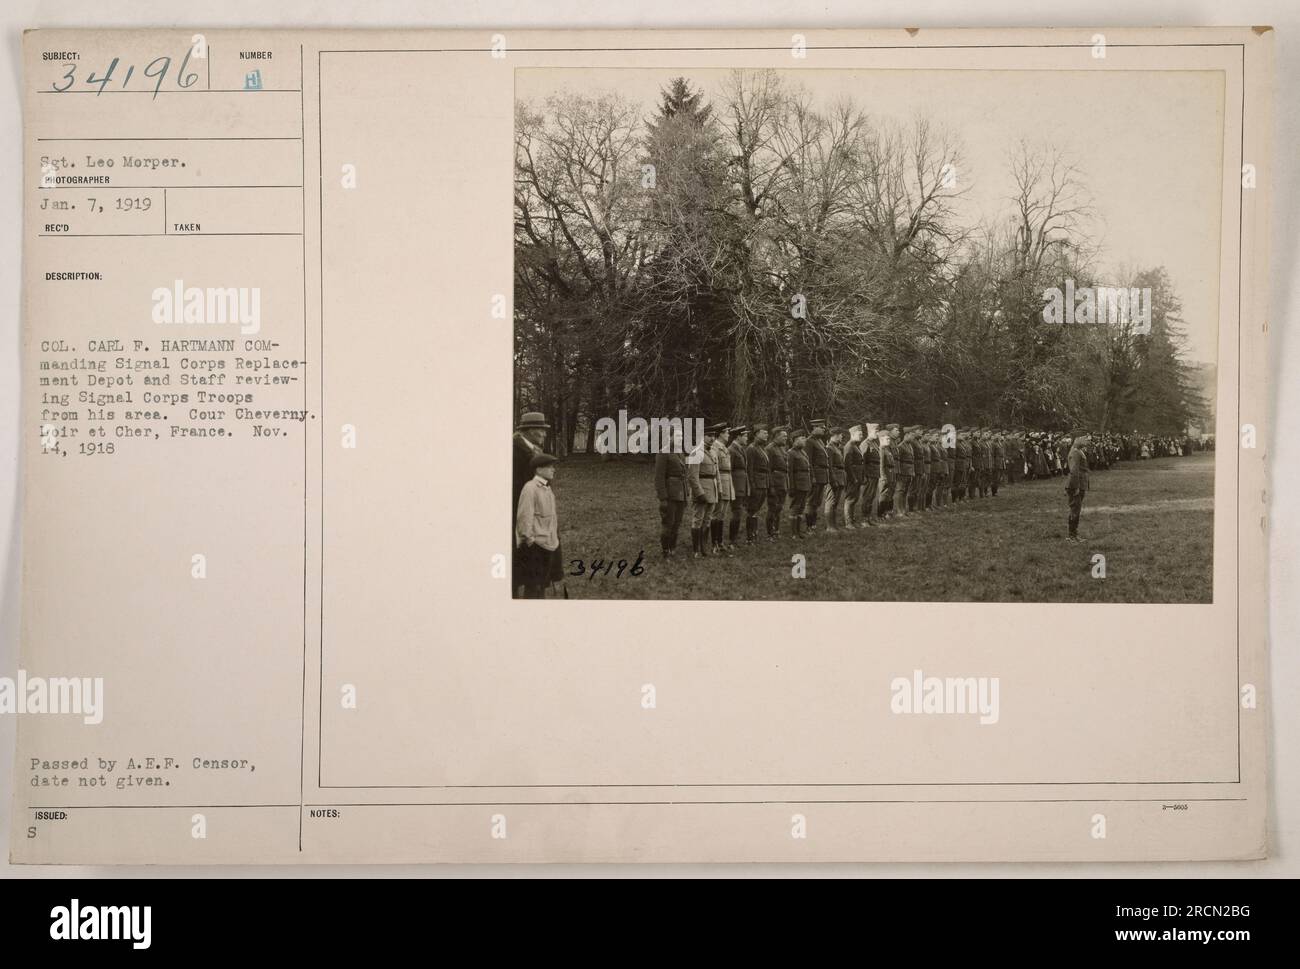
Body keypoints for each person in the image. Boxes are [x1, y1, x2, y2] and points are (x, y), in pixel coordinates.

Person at [512, 411, 549, 593]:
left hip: (537, 515)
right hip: (523, 517)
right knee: (524, 567)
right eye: (539, 430)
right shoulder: (515, 452)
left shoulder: (534, 450)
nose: (544, 434)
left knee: (534, 571)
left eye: (544, 430)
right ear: (526, 431)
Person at [515, 452, 562, 598]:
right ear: (539, 470)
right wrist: (529, 540)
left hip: (548, 545)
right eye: (549, 467)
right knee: (533, 586)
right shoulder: (530, 488)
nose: (553, 470)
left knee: (542, 585)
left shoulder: (547, 489)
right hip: (535, 547)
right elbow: (524, 517)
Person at [653, 424, 688, 560]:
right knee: (668, 523)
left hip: (680, 493)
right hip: (670, 494)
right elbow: (659, 477)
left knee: (677, 523)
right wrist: (663, 498)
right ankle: (665, 551)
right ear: (670, 437)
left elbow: (683, 474)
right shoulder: (663, 453)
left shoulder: (679, 453)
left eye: (681, 436)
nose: (681, 438)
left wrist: (686, 494)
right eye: (678, 436)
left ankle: (672, 548)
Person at [687, 423, 721, 558]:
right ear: (702, 437)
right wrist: (699, 493)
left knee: (707, 519)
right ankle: (696, 550)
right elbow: (692, 476)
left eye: (713, 436)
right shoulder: (696, 452)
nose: (712, 439)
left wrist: (719, 488)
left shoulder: (713, 452)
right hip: (701, 490)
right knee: (698, 519)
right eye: (709, 436)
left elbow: (716, 472)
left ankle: (703, 547)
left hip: (712, 489)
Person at [746, 424, 771, 544]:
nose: (767, 434)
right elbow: (749, 469)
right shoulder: (751, 449)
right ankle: (750, 537)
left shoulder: (762, 448)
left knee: (756, 510)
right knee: (752, 510)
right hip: (756, 483)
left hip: (763, 483)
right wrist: (752, 486)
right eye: (764, 432)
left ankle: (754, 535)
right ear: (756, 434)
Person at [712, 425, 734, 556]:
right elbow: (715, 467)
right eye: (726, 433)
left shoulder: (724, 447)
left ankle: (719, 542)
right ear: (720, 434)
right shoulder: (715, 446)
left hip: (727, 480)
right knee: (717, 513)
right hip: (720, 480)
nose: (728, 435)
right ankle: (714, 542)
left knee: (722, 514)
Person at [1066, 429, 1091, 542]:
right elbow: (1074, 471)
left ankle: (1073, 534)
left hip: (1080, 484)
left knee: (1076, 509)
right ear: (1077, 439)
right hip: (1076, 485)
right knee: (1075, 510)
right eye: (1085, 438)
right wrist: (1075, 487)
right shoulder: (1075, 452)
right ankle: (1072, 536)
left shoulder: (1079, 451)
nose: (1087, 440)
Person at [765, 426, 790, 540]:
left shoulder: (782, 448)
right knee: (773, 507)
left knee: (779, 507)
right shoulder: (770, 449)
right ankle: (770, 533)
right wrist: (771, 486)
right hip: (774, 482)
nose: (786, 438)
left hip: (783, 481)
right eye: (783, 436)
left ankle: (776, 530)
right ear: (776, 436)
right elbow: (768, 469)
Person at [728, 425, 750, 550]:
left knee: (738, 513)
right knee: (736, 513)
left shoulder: (740, 449)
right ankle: (732, 541)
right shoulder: (732, 450)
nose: (747, 438)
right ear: (738, 437)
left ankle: (734, 539)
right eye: (745, 436)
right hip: (735, 486)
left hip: (741, 486)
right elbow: (729, 470)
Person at [787, 428, 812, 539]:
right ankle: (793, 533)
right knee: (795, 507)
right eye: (802, 438)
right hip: (797, 484)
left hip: (805, 483)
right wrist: (791, 486)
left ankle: (799, 531)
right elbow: (789, 471)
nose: (805, 440)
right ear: (795, 440)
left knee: (801, 507)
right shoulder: (791, 453)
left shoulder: (803, 452)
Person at [806, 423, 830, 532]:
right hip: (815, 475)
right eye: (821, 428)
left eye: (824, 428)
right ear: (814, 428)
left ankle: (813, 524)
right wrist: (812, 477)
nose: (824, 430)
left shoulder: (819, 441)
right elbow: (809, 461)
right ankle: (809, 525)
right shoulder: (809, 441)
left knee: (817, 501)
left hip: (822, 475)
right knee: (811, 501)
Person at [824, 427, 846, 533]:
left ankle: (834, 525)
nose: (842, 437)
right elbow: (829, 466)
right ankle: (829, 526)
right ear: (835, 435)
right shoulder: (829, 448)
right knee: (831, 501)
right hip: (834, 478)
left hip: (840, 477)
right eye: (841, 435)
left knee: (835, 502)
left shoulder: (836, 447)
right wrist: (833, 480)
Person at [843, 425, 865, 528]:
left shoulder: (855, 445)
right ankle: (848, 522)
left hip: (857, 477)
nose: (861, 436)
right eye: (859, 434)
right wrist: (853, 478)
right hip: (852, 478)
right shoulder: (849, 446)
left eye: (862, 434)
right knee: (850, 499)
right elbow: (847, 464)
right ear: (852, 434)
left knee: (855, 499)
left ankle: (852, 520)